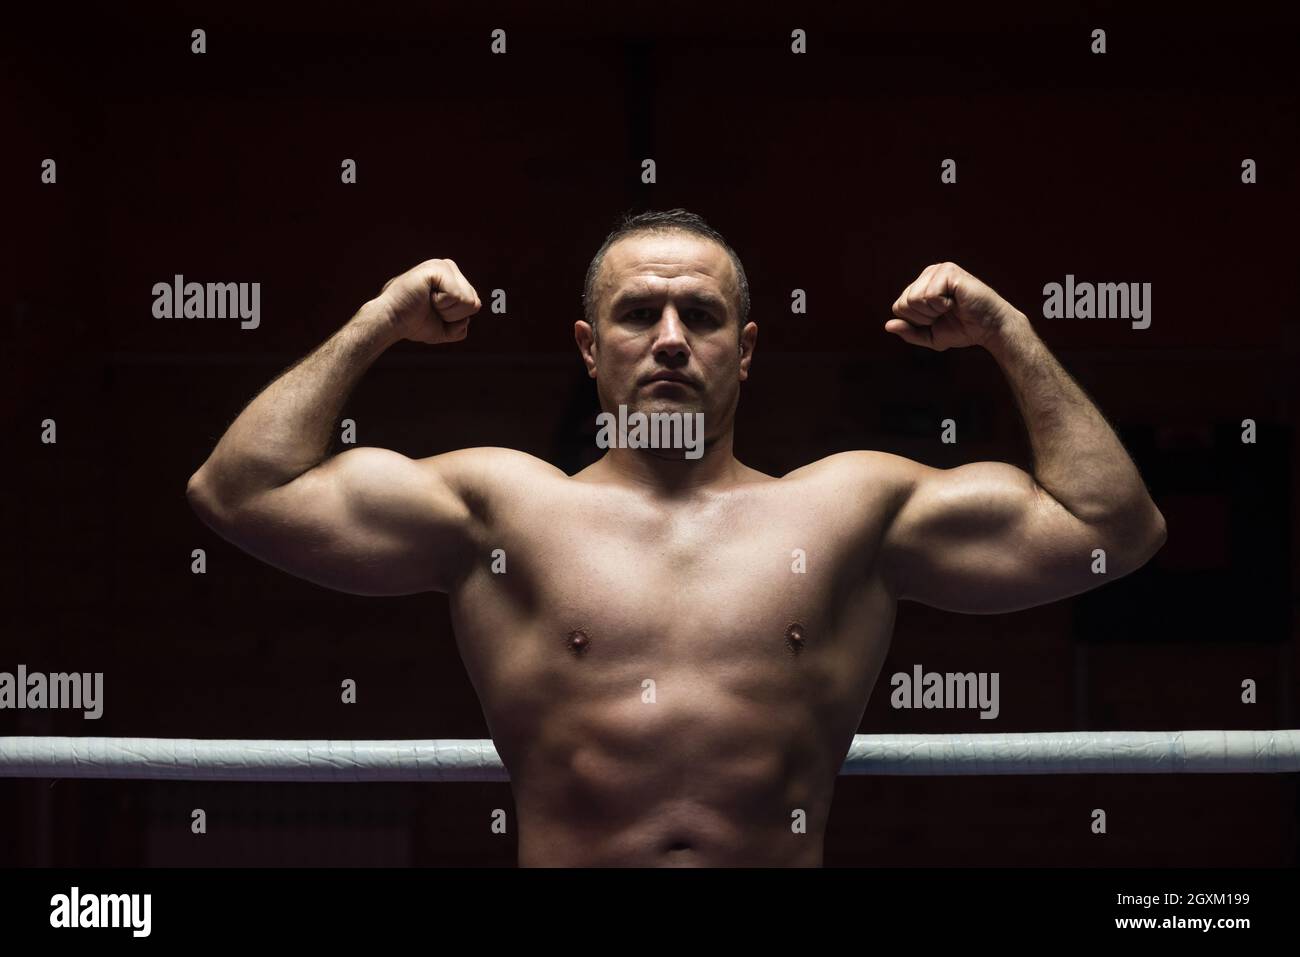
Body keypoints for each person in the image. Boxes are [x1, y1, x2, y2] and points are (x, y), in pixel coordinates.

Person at [185, 208, 1166, 866]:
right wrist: (378, 320)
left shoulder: (848, 511)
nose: (666, 338)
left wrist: (1006, 330)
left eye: (698, 315)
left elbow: (1108, 530)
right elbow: (240, 492)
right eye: (635, 314)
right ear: (586, 347)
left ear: (743, 349)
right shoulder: (499, 511)